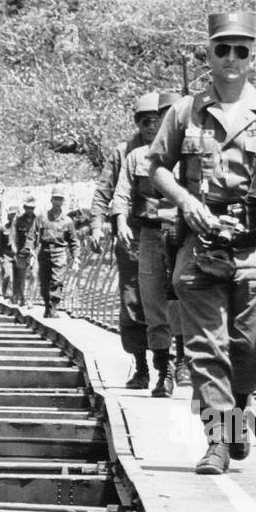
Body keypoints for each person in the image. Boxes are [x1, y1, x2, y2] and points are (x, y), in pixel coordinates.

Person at [150, 10, 256, 474]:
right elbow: (159, 165)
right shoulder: (185, 111)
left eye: (242, 49)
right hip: (201, 242)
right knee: (205, 346)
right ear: (210, 54)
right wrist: (183, 200)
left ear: (254, 55)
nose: (232, 57)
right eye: (223, 49)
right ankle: (219, 441)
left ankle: (239, 404)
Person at [112, 90, 190, 397]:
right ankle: (163, 370)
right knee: (152, 303)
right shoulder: (136, 157)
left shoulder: (191, 155)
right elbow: (122, 193)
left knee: (183, 299)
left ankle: (185, 359)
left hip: (184, 232)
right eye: (151, 121)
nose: (156, 126)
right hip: (150, 234)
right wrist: (119, 220)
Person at [91, 98, 153, 387]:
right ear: (136, 122)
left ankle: (178, 363)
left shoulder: (177, 148)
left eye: (157, 119)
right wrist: (97, 226)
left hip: (169, 233)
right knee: (132, 300)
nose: (152, 126)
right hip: (132, 236)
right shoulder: (122, 153)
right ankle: (141, 367)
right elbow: (104, 192)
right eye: (145, 121)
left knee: (176, 298)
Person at [36, 187, 78, 318]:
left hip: (60, 252)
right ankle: (47, 306)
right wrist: (31, 252)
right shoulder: (42, 217)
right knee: (44, 281)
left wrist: (76, 257)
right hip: (44, 251)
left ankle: (53, 306)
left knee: (57, 281)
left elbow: (73, 241)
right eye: (55, 199)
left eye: (60, 199)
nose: (57, 201)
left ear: (63, 201)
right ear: (51, 200)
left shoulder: (67, 221)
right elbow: (32, 236)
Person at [6, 196, 39, 307]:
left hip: (33, 251)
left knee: (34, 275)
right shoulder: (18, 220)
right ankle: (23, 298)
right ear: (24, 207)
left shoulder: (38, 220)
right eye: (28, 208)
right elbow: (12, 235)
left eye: (32, 208)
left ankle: (31, 300)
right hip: (21, 252)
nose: (30, 210)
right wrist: (13, 247)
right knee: (21, 277)